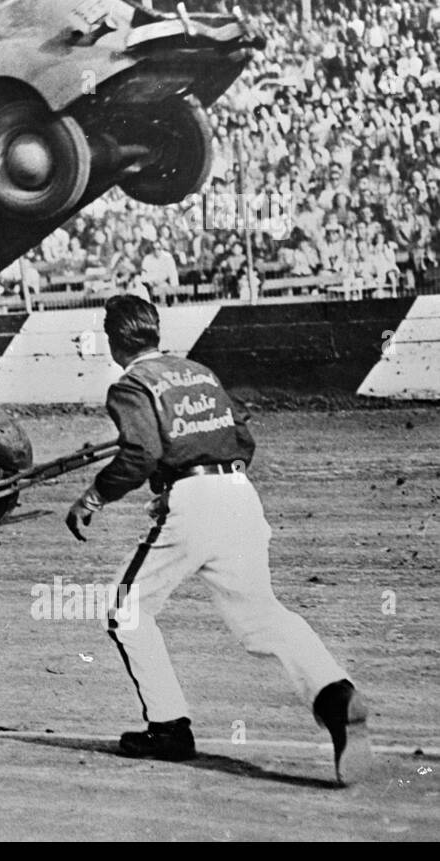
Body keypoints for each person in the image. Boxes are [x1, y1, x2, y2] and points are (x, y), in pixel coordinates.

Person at [64, 295, 372, 785]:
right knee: (260, 617)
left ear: (114, 340)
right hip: (239, 496)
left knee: (127, 610)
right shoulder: (199, 372)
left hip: (193, 502)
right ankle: (334, 694)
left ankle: (168, 728)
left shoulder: (130, 384)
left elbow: (140, 452)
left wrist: (94, 498)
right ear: (154, 331)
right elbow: (243, 439)